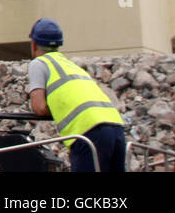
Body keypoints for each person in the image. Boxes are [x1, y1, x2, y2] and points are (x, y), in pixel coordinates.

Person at [26, 18, 126, 172]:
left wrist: (58, 109)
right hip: (116, 128)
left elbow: (39, 108)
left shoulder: (39, 63)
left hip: (90, 131)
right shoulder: (71, 66)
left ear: (33, 44)